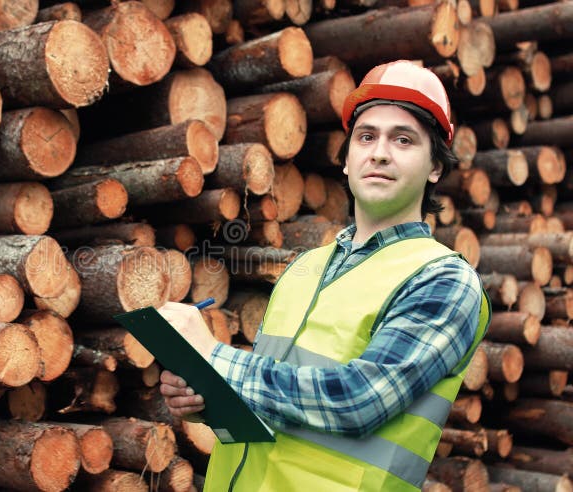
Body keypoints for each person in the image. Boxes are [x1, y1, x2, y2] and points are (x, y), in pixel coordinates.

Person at [158, 60, 491, 492]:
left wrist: (213, 358)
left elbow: (358, 400)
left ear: (435, 168)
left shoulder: (443, 280)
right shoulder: (304, 268)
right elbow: (276, 400)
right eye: (366, 136)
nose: (380, 152)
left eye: (403, 139)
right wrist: (206, 396)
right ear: (348, 161)